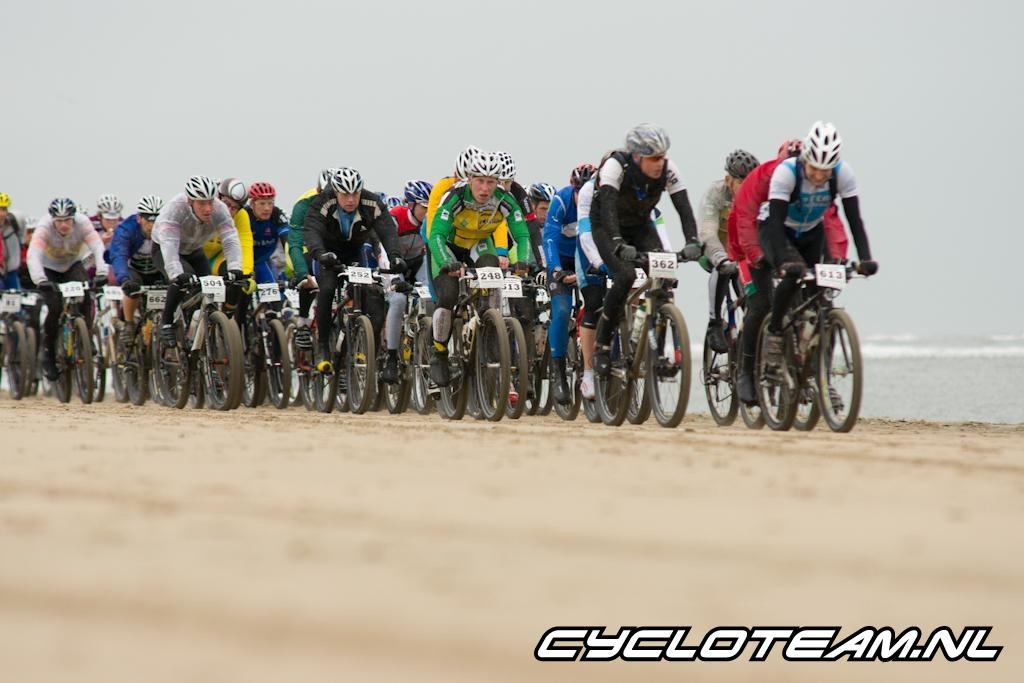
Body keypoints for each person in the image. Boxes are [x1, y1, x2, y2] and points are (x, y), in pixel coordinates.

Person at [589, 124, 701, 376]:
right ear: (637, 156)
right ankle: (603, 346)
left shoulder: (669, 170)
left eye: (662, 156)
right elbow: (606, 208)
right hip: (607, 228)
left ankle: (657, 352)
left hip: (640, 226)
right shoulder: (616, 167)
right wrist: (617, 242)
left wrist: (692, 240)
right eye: (653, 158)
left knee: (665, 275)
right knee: (626, 276)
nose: (659, 163)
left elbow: (684, 208)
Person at [427, 151, 534, 386]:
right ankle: (439, 352)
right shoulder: (454, 196)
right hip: (448, 246)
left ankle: (488, 324)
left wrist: (524, 260)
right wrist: (447, 262)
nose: (485, 188)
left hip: (478, 243)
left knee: (491, 268)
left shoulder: (504, 199)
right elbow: (436, 235)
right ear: (469, 179)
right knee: (448, 295)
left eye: (491, 182)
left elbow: (522, 234)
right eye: (480, 181)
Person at [302, 167, 405, 374]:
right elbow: (311, 231)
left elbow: (387, 231)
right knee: (328, 288)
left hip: (355, 252)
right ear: (336, 192)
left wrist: (395, 256)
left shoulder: (371, 203)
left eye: (355, 194)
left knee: (372, 297)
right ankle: (323, 347)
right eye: (345, 194)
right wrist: (321, 254)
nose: (351, 199)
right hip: (328, 254)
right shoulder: (323, 202)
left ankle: (364, 348)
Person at [152, 176, 244, 346]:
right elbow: (170, 247)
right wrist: (177, 274)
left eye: (210, 202)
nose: (208, 208)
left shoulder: (220, 209)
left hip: (194, 250)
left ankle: (195, 332)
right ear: (190, 201)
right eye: (202, 203)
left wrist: (235, 268)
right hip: (166, 248)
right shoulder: (174, 210)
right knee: (184, 280)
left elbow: (230, 239)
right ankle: (166, 322)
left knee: (206, 289)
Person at [26, 198, 109, 379]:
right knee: (55, 309)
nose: (64, 225)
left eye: (67, 220)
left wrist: (102, 272)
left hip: (72, 265)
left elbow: (97, 246)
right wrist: (40, 280)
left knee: (87, 297)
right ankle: (48, 354)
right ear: (53, 220)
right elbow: (33, 255)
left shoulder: (83, 223)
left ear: (74, 218)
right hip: (49, 270)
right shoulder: (44, 227)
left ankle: (84, 335)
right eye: (59, 221)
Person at [542, 165, 595, 403]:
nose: (583, 195)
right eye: (579, 191)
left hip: (586, 258)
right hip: (561, 261)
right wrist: (555, 270)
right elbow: (550, 237)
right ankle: (558, 372)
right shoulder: (561, 201)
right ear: (573, 189)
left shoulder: (600, 203)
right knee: (562, 311)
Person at [699, 149, 759, 353]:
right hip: (716, 251)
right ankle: (714, 323)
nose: (747, 187)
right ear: (728, 180)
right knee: (724, 269)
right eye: (742, 182)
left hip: (743, 255)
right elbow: (707, 232)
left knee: (753, 298)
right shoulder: (716, 193)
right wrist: (720, 258)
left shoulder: (758, 196)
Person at [380, 180, 432, 382]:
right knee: (399, 300)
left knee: (429, 297)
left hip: (418, 262)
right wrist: (392, 278)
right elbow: (384, 250)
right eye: (423, 207)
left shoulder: (430, 222)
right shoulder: (395, 218)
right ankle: (391, 358)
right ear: (411, 205)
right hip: (395, 263)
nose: (427, 212)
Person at [288, 168, 337, 350]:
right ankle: (302, 323)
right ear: (318, 191)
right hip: (305, 246)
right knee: (308, 272)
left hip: (332, 246)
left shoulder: (349, 203)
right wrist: (301, 273)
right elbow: (294, 243)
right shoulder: (303, 205)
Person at [107, 195, 166, 343]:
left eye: (156, 220)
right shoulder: (126, 229)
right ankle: (129, 323)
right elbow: (119, 255)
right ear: (139, 218)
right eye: (148, 220)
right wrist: (124, 279)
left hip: (157, 269)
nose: (152, 225)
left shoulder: (166, 228)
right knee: (132, 287)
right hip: (135, 270)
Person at [0, 192, 25, 290]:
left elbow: (22, 238)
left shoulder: (15, 222)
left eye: (4, 209)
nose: (1, 214)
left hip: (12, 270)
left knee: (16, 297)